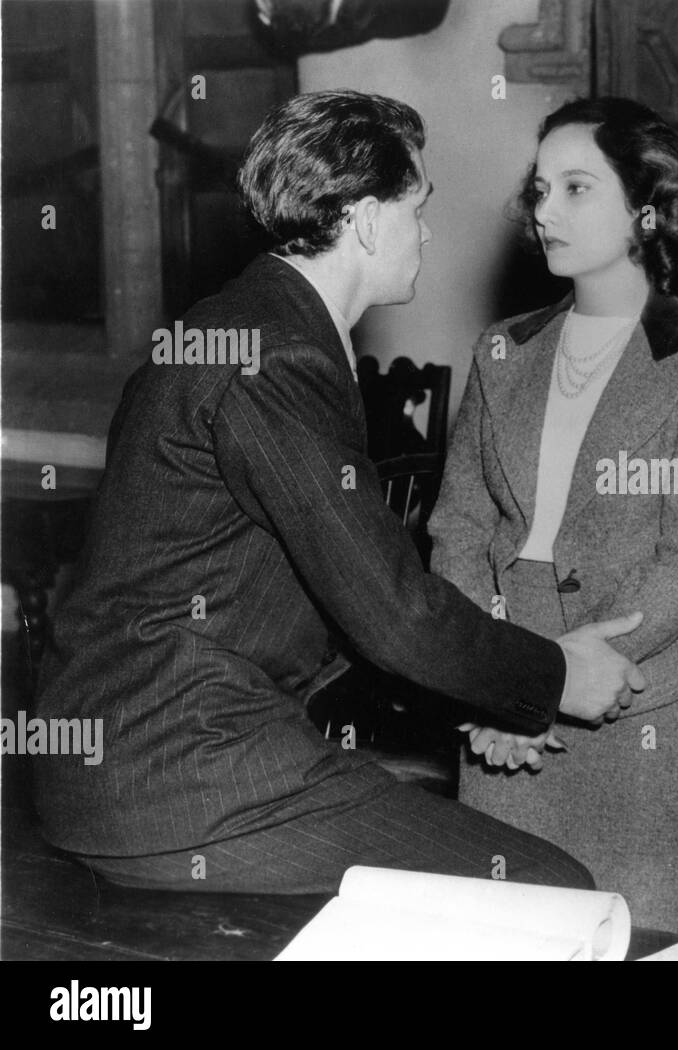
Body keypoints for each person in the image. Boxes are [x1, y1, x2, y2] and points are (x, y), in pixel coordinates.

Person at [32, 90, 645, 895]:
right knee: (551, 891)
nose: (425, 229)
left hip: (125, 762)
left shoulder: (235, 327)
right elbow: (395, 612)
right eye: (415, 206)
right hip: (182, 775)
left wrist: (481, 700)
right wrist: (560, 676)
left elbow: (306, 612)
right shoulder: (278, 356)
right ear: (363, 220)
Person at [428, 97, 678, 935]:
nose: (545, 211)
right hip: (502, 698)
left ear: (645, 210)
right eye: (540, 189)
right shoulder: (502, 349)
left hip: (644, 697)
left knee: (639, 939)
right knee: (508, 942)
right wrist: (495, 676)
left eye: (577, 188)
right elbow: (457, 528)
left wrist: (559, 676)